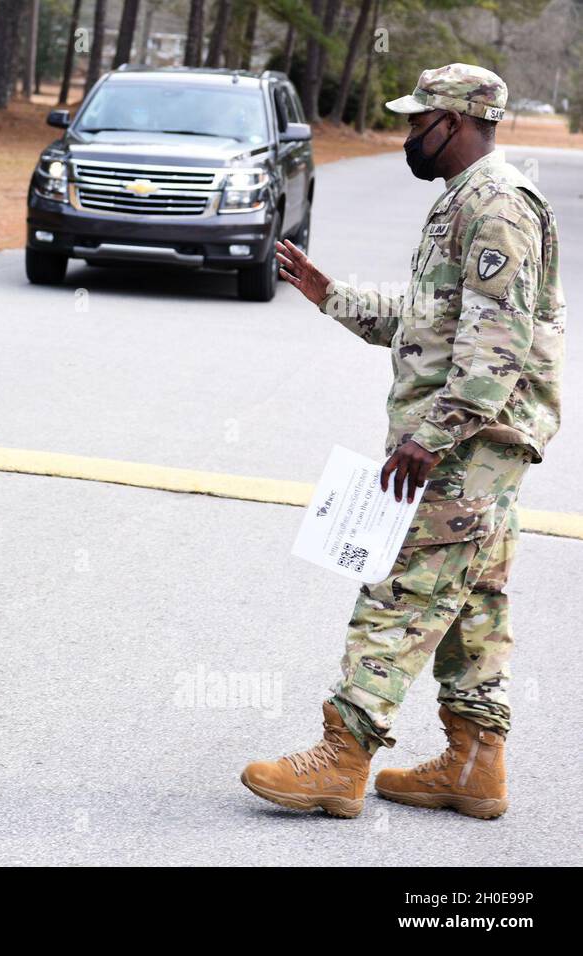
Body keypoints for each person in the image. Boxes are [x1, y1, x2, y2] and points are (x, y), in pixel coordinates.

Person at [241, 64, 565, 820]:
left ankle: (342, 757)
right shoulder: (465, 202)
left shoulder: (498, 206)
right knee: (475, 600)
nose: (406, 134)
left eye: (418, 121)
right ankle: (474, 763)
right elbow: (430, 325)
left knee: (401, 589)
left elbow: (498, 348)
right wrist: (333, 296)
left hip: (468, 445)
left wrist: (431, 437)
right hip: (480, 443)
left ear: (455, 122)